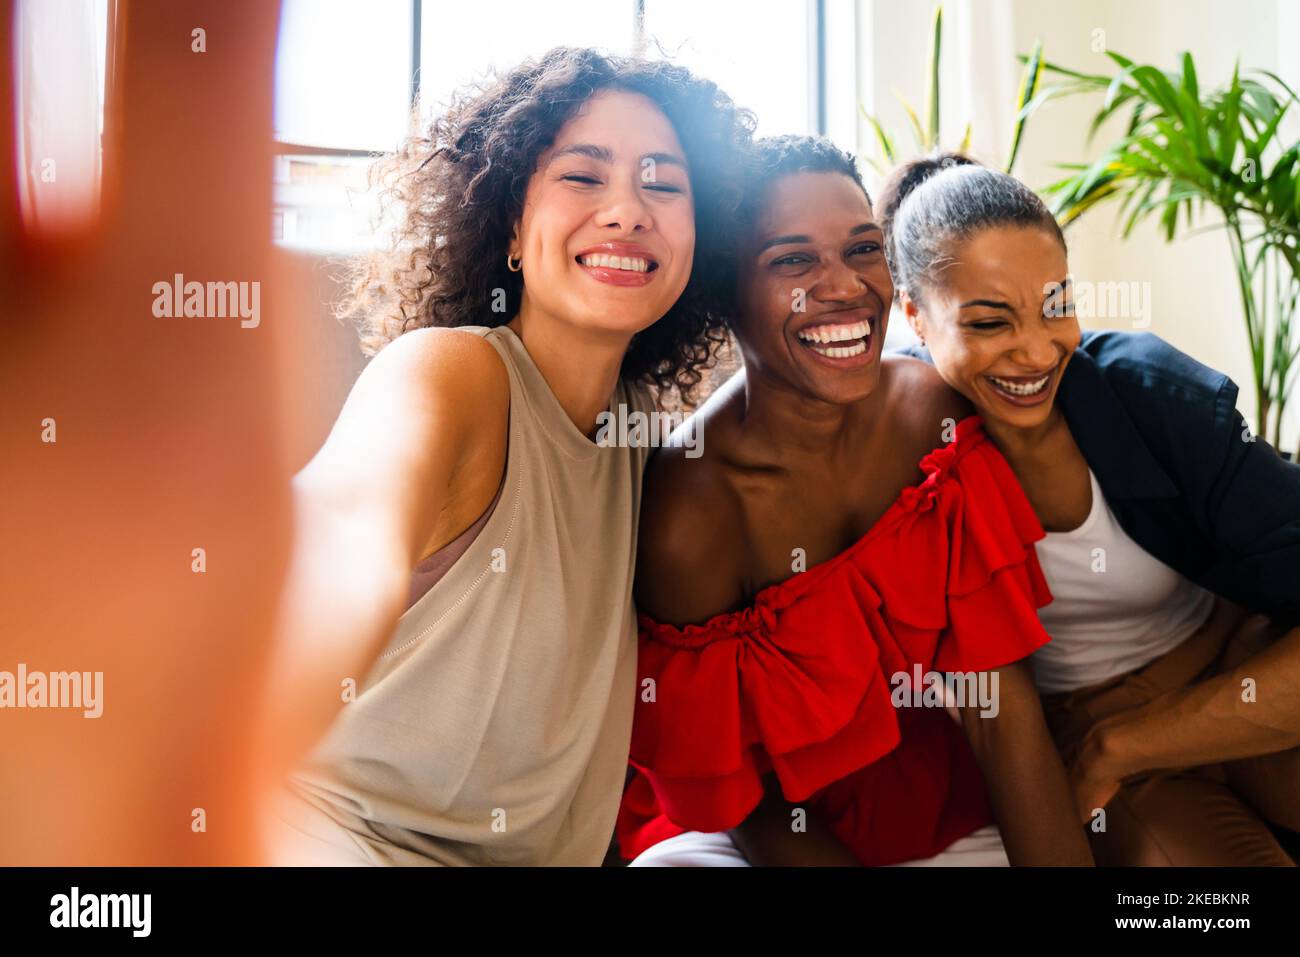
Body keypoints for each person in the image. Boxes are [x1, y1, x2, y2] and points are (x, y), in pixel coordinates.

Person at [257, 47, 755, 865]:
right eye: (584, 177)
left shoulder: (647, 444)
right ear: (513, 229)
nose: (629, 210)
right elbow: (340, 551)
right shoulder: (451, 374)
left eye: (665, 183)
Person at [616, 136, 1094, 866]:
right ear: (722, 293)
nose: (842, 287)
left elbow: (1002, 711)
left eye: (862, 249)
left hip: (950, 791)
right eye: (792, 260)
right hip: (777, 832)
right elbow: (745, 799)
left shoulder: (933, 420)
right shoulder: (692, 511)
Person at [882, 152, 1300, 865]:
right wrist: (1104, 747)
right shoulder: (901, 447)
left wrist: (1122, 744)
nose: (1038, 350)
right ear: (915, 314)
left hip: (1235, 679)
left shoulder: (1149, 395)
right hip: (1091, 731)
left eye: (1055, 306)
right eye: (989, 323)